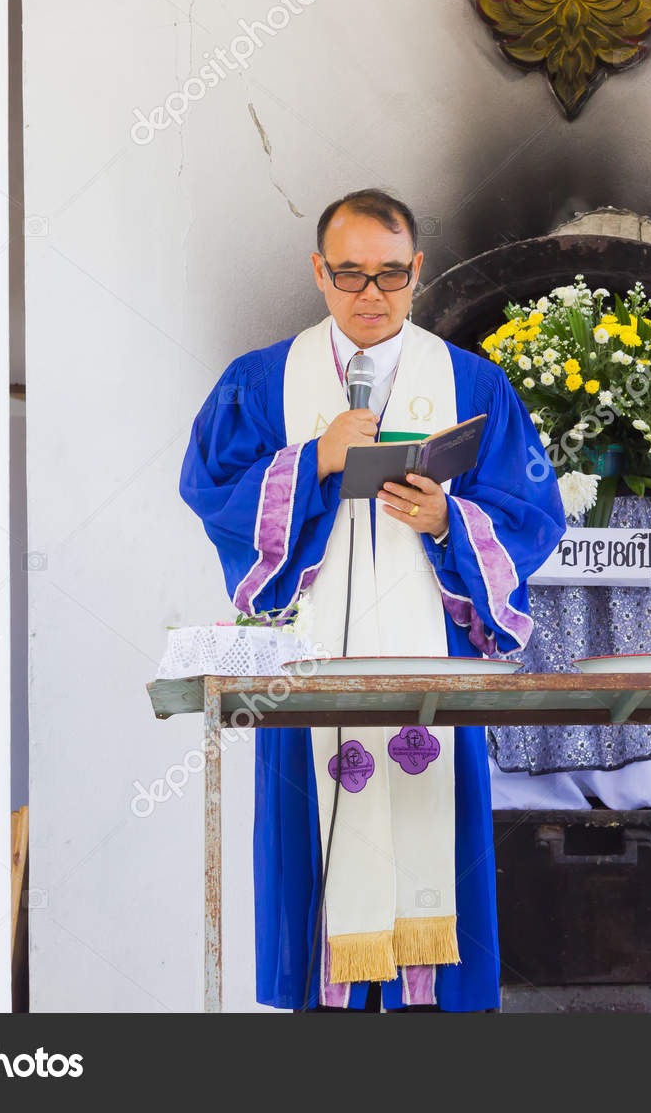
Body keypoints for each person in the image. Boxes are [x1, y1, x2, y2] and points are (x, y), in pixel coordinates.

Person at [179, 188, 564, 1012]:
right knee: (316, 883)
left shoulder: (474, 385)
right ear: (319, 272)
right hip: (305, 683)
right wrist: (312, 458)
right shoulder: (259, 382)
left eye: (391, 275)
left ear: (417, 270)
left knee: (436, 875)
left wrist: (448, 518)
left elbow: (533, 513)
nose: (371, 295)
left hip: (433, 676)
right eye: (350, 274)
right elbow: (210, 489)